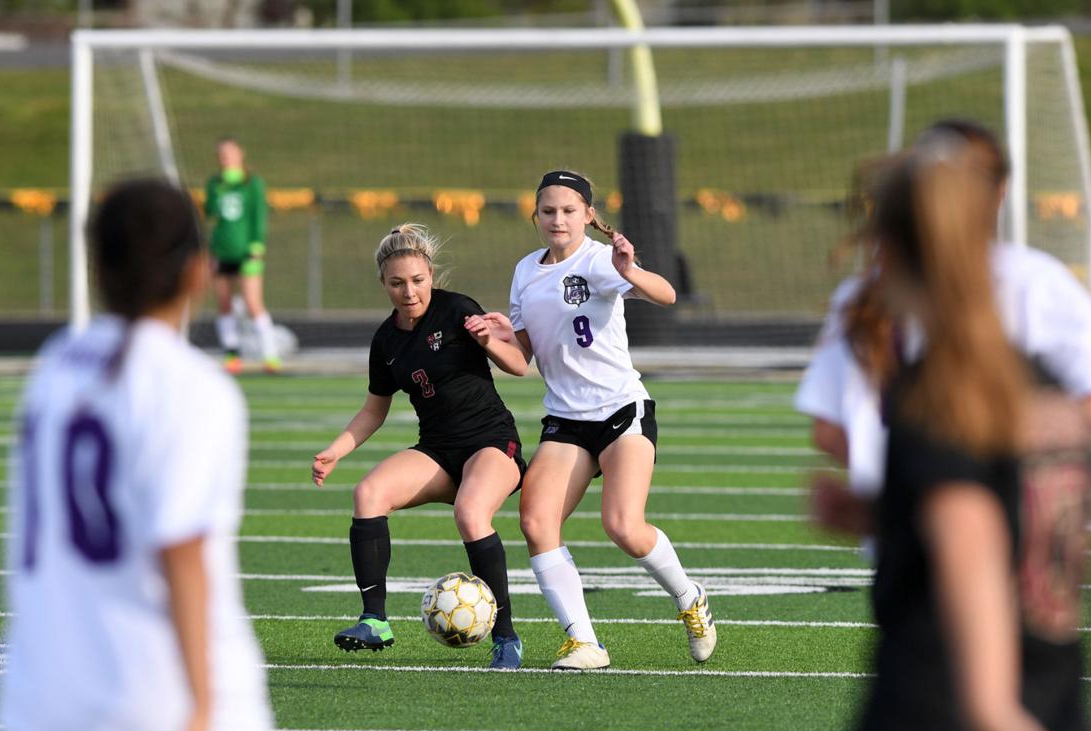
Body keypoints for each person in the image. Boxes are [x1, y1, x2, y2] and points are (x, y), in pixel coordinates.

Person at [834, 139, 1091, 731]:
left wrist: (991, 718)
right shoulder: (1042, 387)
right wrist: (884, 512)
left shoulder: (942, 393)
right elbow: (999, 512)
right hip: (1059, 715)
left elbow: (969, 540)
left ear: (888, 252)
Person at [0, 178, 276, 731]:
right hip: (151, 709)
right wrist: (201, 715)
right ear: (199, 271)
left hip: (40, 717)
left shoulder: (53, 367)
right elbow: (182, 554)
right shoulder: (190, 387)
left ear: (96, 266)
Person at [797, 119, 1091, 516]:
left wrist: (903, 493)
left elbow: (829, 431)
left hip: (942, 531)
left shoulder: (866, 293)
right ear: (1000, 192)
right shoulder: (1038, 282)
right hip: (1007, 522)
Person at [486, 169, 717, 670]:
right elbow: (521, 359)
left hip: (619, 409)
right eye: (548, 211)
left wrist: (631, 270)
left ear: (589, 215)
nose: (558, 220)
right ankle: (585, 642)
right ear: (536, 216)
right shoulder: (526, 270)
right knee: (536, 521)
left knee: (623, 525)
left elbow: (667, 295)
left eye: (569, 211)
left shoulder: (601, 259)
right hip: (566, 420)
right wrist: (492, 338)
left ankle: (689, 597)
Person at [311, 224, 529, 670]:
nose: (409, 291)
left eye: (417, 280)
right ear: (383, 284)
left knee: (470, 513)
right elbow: (374, 410)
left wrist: (489, 341)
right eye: (397, 283)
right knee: (368, 494)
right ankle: (374, 620)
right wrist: (336, 450)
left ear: (430, 274)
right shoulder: (386, 341)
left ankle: (506, 637)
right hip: (437, 449)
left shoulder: (456, 310)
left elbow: (519, 365)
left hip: (490, 443)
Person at [205, 136, 280, 374]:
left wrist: (256, 246)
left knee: (252, 303)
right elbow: (210, 212)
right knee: (224, 303)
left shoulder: (252, 183)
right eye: (222, 154)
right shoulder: (214, 183)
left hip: (246, 251)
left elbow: (259, 215)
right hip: (221, 250)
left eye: (230, 153)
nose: (226, 158)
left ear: (240, 154)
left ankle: (270, 355)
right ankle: (231, 354)